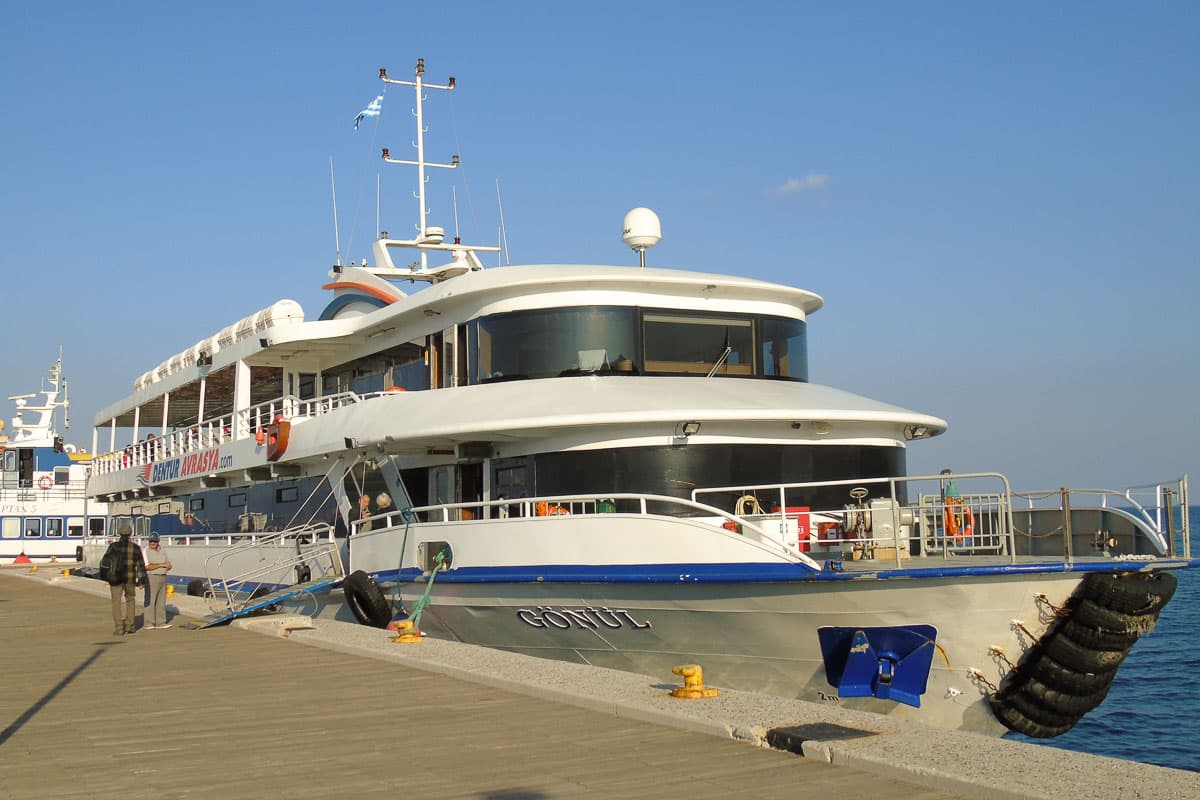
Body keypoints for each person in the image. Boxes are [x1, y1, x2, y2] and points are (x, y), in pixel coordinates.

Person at [104, 524, 147, 636]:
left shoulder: (113, 546)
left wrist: (106, 576)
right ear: (130, 534)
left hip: (115, 578)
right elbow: (140, 566)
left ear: (119, 533)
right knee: (130, 600)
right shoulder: (136, 548)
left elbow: (106, 562)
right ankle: (130, 626)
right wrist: (141, 582)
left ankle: (119, 628)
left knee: (116, 603)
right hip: (130, 578)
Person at [143, 533, 172, 629]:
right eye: (151, 541)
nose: (152, 543)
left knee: (161, 600)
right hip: (151, 577)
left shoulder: (163, 550)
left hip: (163, 576)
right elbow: (147, 566)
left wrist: (168, 566)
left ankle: (161, 622)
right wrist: (161, 565)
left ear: (158, 541)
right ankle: (149, 623)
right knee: (150, 600)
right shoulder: (145, 551)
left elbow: (168, 563)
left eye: (154, 541)